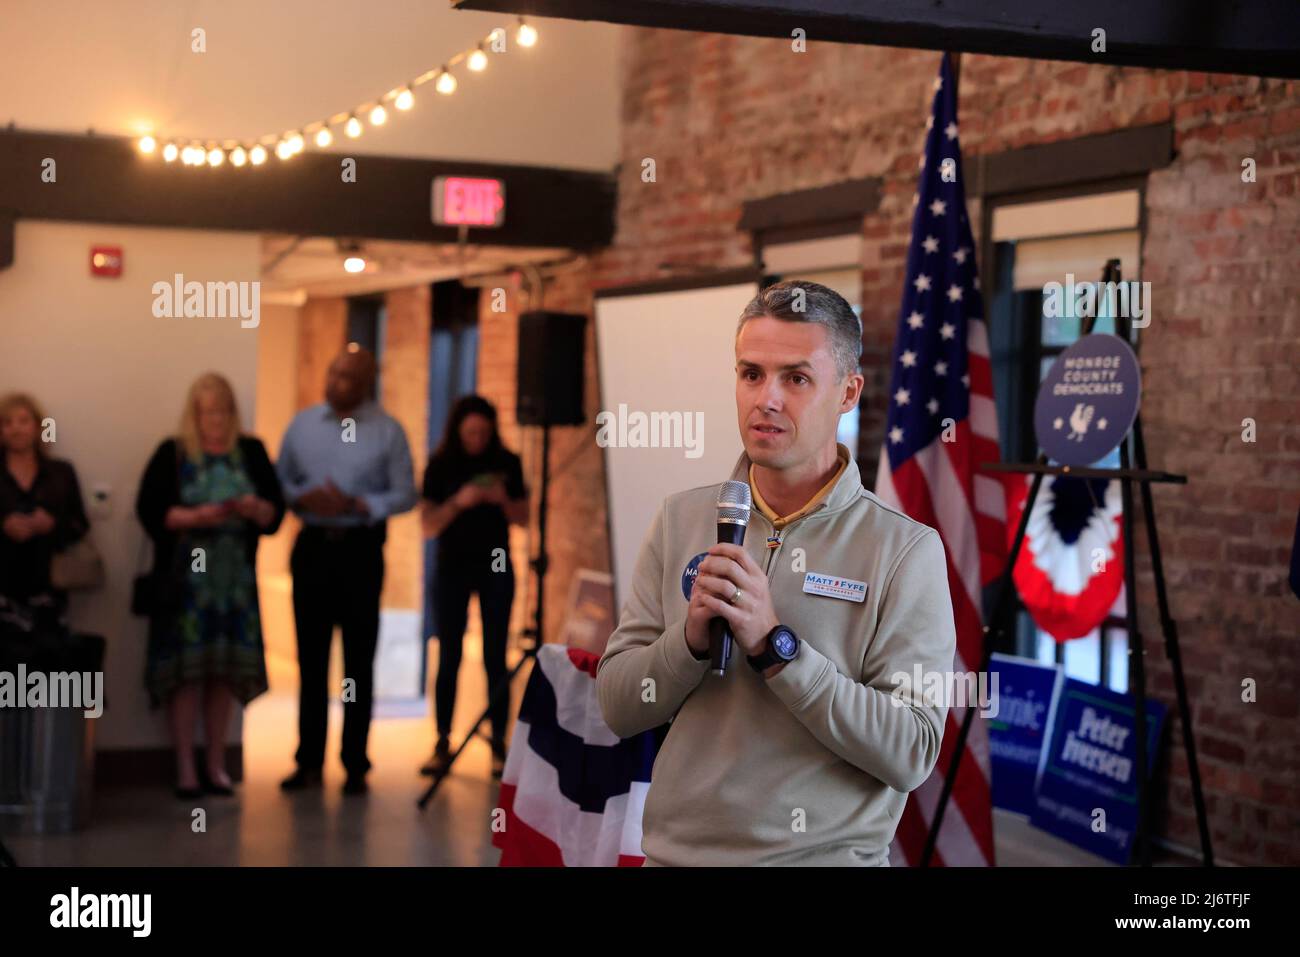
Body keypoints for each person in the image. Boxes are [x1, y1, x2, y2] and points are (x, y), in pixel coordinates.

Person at [596, 280, 957, 866]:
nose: (766, 399)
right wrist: (686, 643)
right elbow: (618, 706)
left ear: (848, 392)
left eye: (796, 378)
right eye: (751, 374)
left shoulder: (904, 549)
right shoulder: (682, 518)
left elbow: (911, 751)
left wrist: (777, 649)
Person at [136, 373, 285, 799]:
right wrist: (195, 517)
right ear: (194, 414)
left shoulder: (251, 452)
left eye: (222, 411)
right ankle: (185, 766)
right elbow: (152, 511)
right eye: (207, 412)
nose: (215, 420)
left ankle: (216, 764)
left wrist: (255, 508)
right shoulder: (174, 453)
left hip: (234, 585)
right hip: (187, 583)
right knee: (188, 674)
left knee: (223, 672)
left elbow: (275, 515)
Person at [276, 345, 417, 796]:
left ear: (366, 382)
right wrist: (303, 497)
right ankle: (308, 761)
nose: (337, 382)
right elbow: (279, 480)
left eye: (348, 377)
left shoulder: (388, 432)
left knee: (358, 663)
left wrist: (360, 504)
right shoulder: (301, 425)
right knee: (311, 661)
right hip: (314, 548)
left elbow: (406, 493)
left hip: (359, 551)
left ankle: (355, 762)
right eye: (333, 373)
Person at [419, 395, 528, 780]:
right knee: (448, 653)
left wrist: (502, 500)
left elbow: (525, 517)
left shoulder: (507, 463)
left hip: (495, 565)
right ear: (458, 431)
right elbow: (427, 524)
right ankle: (442, 740)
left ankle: (499, 742)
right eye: (470, 433)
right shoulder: (441, 464)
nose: (477, 439)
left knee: (495, 655)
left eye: (483, 432)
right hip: (452, 568)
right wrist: (459, 502)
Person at [0, 393, 91, 629]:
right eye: (7, 422)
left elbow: (80, 525)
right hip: (3, 590)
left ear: (39, 427)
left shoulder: (61, 473)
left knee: (47, 662)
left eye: (23, 420)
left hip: (48, 591)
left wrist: (52, 526)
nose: (16, 428)